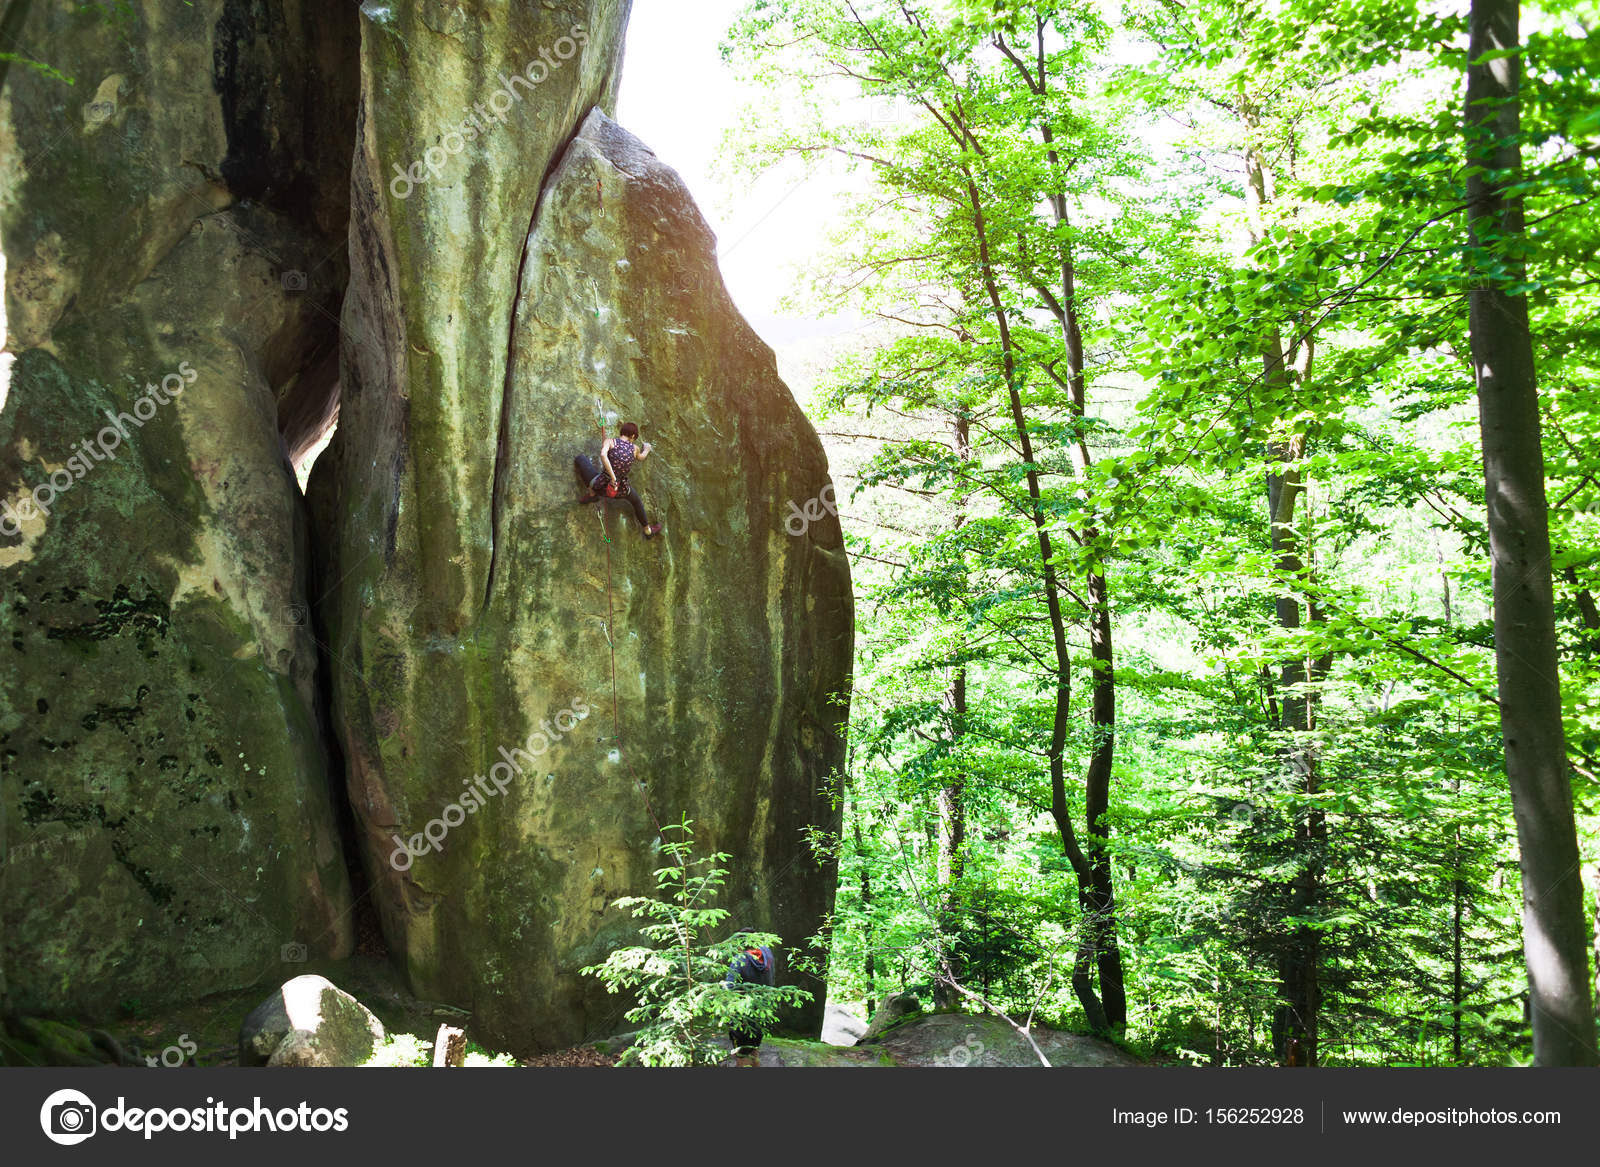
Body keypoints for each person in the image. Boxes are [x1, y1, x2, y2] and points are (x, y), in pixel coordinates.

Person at [574, 421, 661, 537]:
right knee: (636, 501)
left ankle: (592, 494)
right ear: (633, 436)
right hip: (621, 490)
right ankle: (648, 531)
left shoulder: (610, 441)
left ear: (622, 432)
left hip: (600, 485)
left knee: (580, 459)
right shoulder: (634, 449)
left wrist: (612, 476)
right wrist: (647, 449)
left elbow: (603, 455)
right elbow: (641, 457)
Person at [724, 940, 776, 1054]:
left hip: (742, 1018)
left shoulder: (739, 959)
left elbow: (729, 987)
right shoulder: (768, 955)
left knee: (741, 1055)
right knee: (754, 1053)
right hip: (762, 1014)